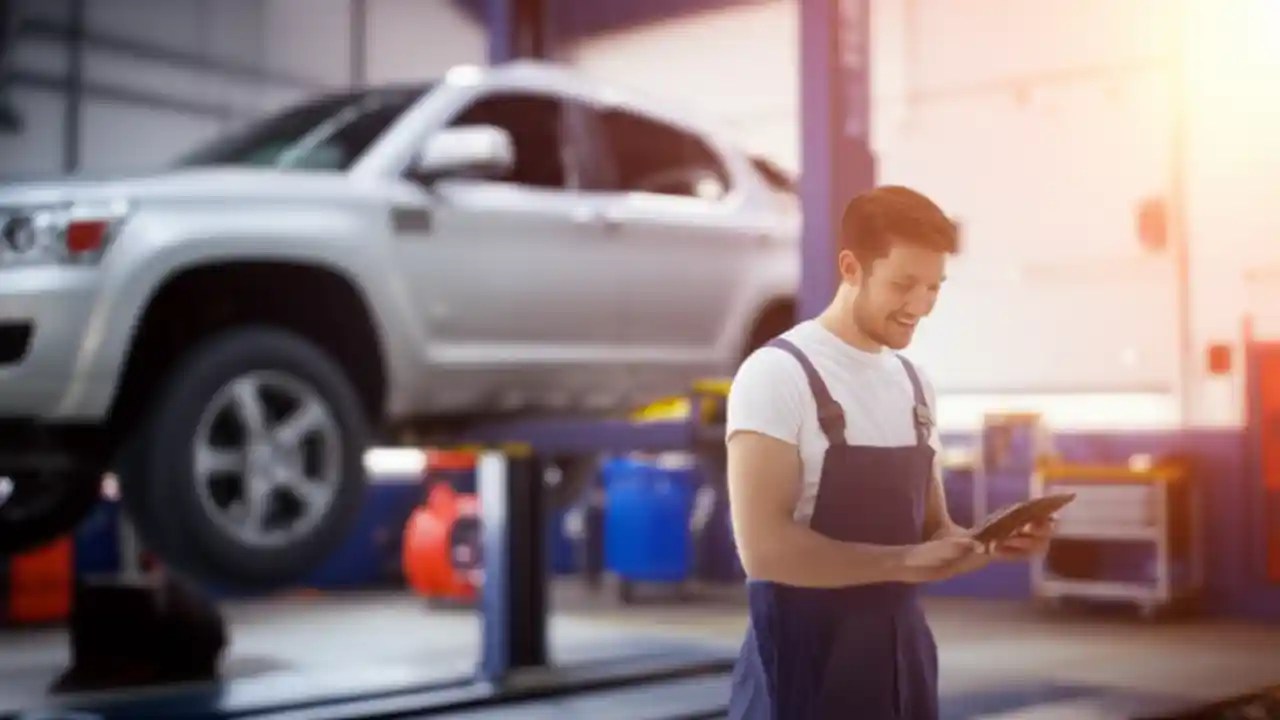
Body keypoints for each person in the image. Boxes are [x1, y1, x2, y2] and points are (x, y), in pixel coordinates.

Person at [725, 186, 1054, 719]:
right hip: (801, 676)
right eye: (904, 284)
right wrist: (902, 562)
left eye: (933, 287)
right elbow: (764, 550)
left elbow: (934, 533)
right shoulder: (777, 374)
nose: (920, 306)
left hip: (902, 672)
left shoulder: (914, 383)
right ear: (851, 267)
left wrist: (987, 544)